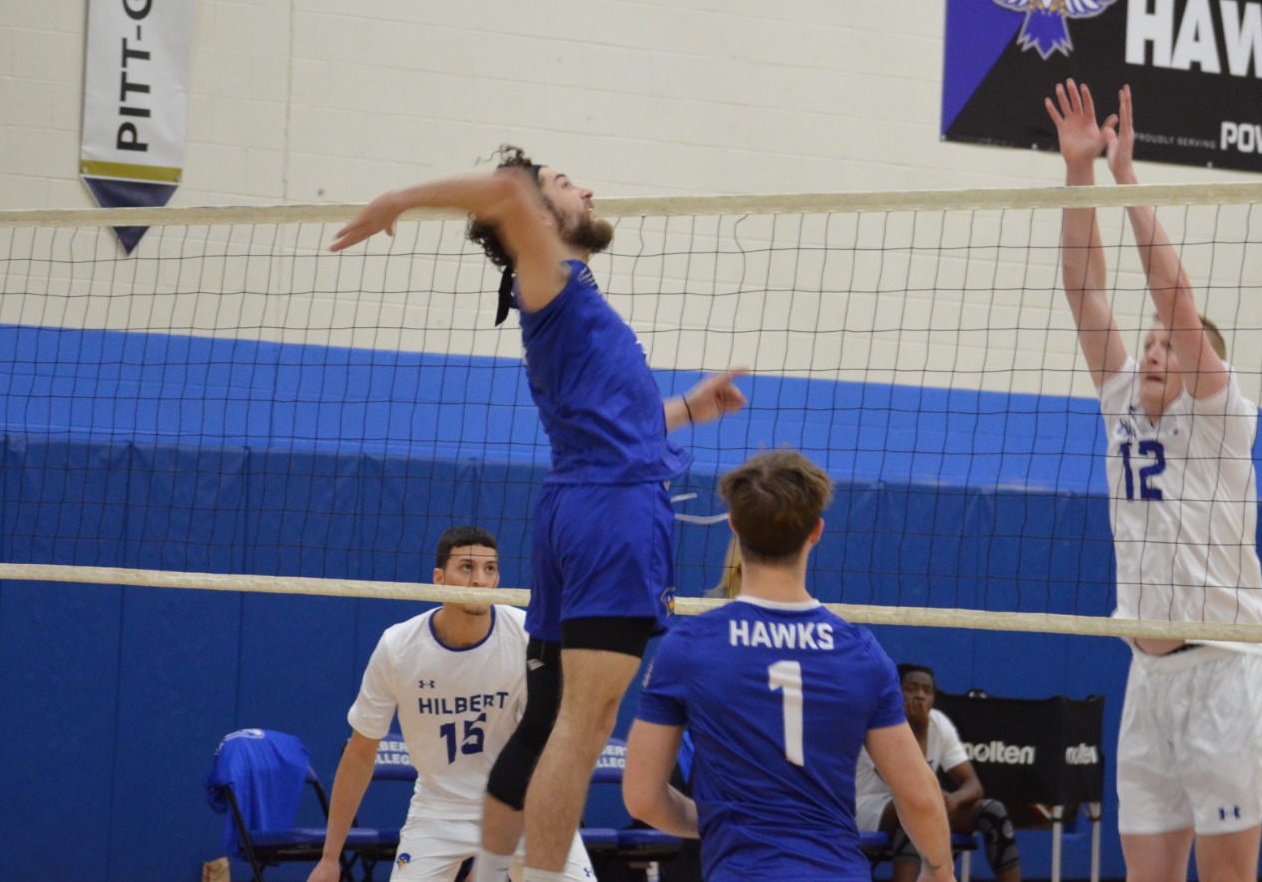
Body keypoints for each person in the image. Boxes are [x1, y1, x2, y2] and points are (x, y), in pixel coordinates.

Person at [333, 149, 748, 882]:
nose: (587, 188)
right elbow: (502, 190)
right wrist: (398, 198)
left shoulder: (570, 297)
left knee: (547, 721)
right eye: (563, 184)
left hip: (578, 505)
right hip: (613, 516)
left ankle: (497, 874)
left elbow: (610, 428)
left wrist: (687, 407)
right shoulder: (549, 275)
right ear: (537, 216)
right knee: (582, 733)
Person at [1047, 80, 1262, 882]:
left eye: (1167, 346)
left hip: (1225, 670)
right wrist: (1079, 171)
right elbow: (1084, 290)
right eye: (1147, 343)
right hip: (1149, 676)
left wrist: (1126, 179)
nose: (1152, 350)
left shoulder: (1221, 415)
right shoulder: (1122, 402)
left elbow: (1175, 297)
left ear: (1198, 365)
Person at [621, 449, 956, 882]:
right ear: (816, 531)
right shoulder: (860, 654)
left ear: (734, 527)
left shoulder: (688, 648)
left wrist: (723, 824)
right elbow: (920, 798)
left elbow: (642, 798)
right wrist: (940, 869)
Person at [306, 527, 594, 882]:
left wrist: (490, 859)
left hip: (524, 804)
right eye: (467, 567)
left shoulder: (528, 637)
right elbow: (360, 754)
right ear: (439, 579)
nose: (480, 580)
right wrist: (330, 858)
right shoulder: (398, 648)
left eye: (490, 569)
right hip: (439, 810)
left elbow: (551, 742)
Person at [852, 662, 1023, 882]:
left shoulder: (939, 723)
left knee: (993, 811)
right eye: (911, 688)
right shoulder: (877, 724)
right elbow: (909, 784)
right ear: (895, 692)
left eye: (927, 690)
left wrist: (955, 799)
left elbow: (973, 784)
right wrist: (920, 730)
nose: (920, 695)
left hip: (923, 805)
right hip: (869, 807)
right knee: (916, 809)